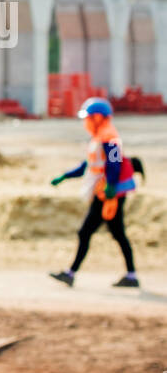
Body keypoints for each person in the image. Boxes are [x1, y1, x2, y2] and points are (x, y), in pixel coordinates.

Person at [48, 97, 139, 288]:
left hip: (108, 194)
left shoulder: (110, 137)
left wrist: (111, 186)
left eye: (88, 118)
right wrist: (65, 176)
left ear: (98, 117)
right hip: (104, 192)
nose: (86, 122)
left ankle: (71, 274)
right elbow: (88, 165)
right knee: (116, 233)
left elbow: (114, 162)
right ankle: (131, 275)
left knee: (87, 232)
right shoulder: (99, 136)